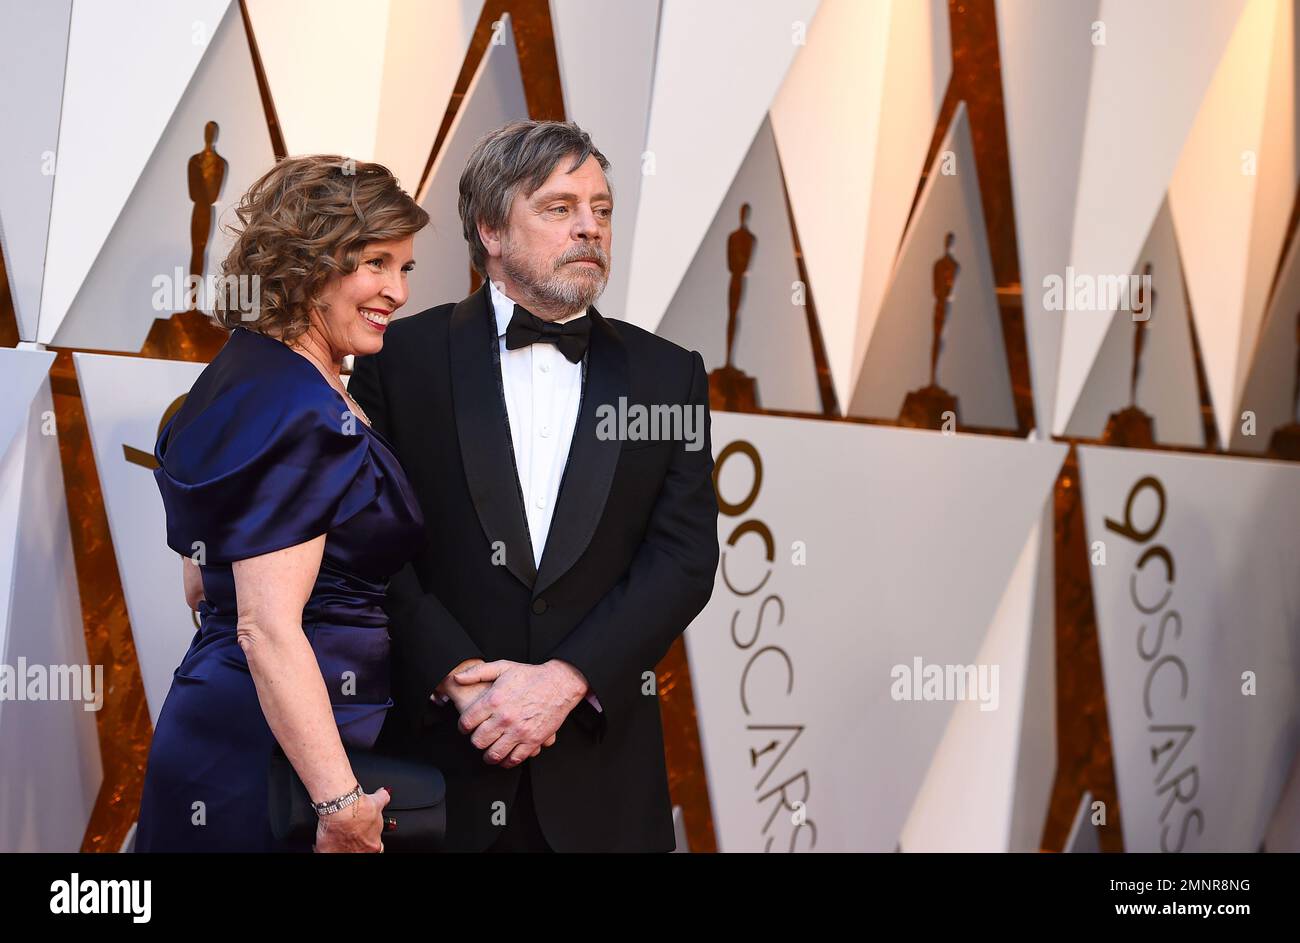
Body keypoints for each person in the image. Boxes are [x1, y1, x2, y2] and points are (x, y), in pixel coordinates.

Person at [348, 120, 720, 853]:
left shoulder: (668, 374)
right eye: (560, 208)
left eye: (602, 209)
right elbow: (367, 542)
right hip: (433, 776)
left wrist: (566, 680)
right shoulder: (397, 357)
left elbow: (682, 559)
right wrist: (455, 676)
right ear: (490, 228)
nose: (590, 227)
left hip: (602, 785)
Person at [135, 156, 429, 852]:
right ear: (311, 264)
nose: (397, 290)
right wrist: (341, 803)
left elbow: (203, 584)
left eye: (406, 268)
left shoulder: (236, 376)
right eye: (375, 263)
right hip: (276, 764)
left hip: (222, 726)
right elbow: (265, 627)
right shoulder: (305, 407)